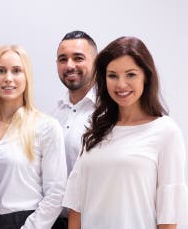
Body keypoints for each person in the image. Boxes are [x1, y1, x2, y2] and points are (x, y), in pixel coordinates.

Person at [62, 37, 188, 228]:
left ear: (146, 76)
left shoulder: (165, 132)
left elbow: (170, 216)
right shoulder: (96, 130)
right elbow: (75, 206)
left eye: (130, 74)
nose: (121, 84)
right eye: (112, 75)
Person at [0, 46, 66, 229]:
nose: (8, 78)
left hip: (27, 222)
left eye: (16, 71)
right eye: (0, 71)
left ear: (27, 78)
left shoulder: (46, 127)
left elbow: (56, 193)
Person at [51, 31, 98, 175]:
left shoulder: (110, 112)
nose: (69, 66)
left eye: (78, 58)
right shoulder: (53, 116)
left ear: (96, 62)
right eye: (63, 59)